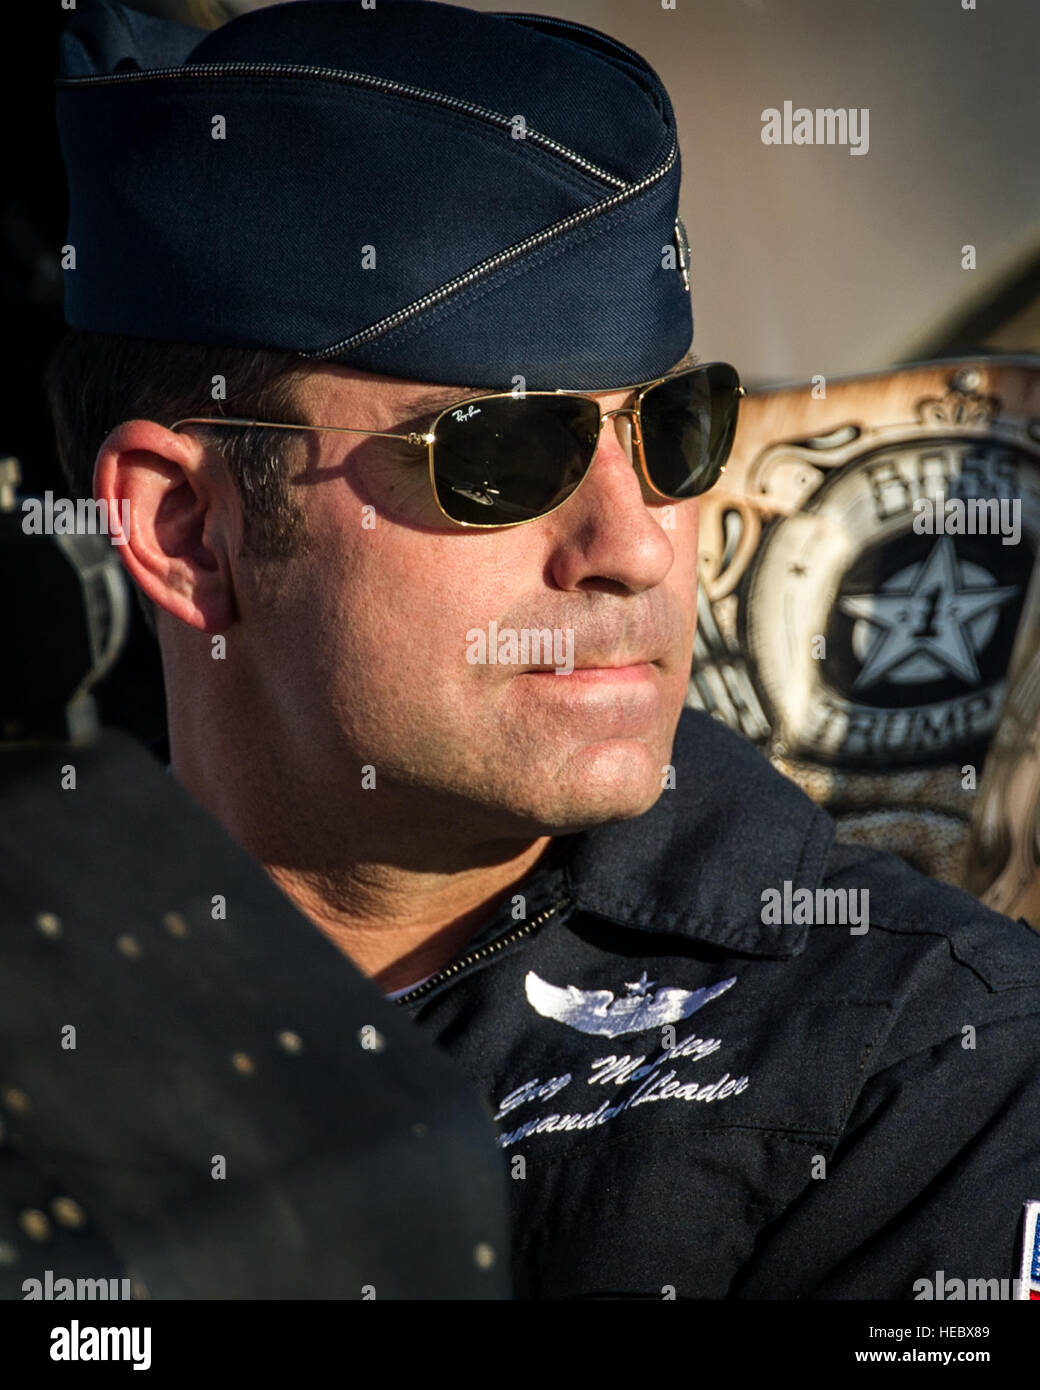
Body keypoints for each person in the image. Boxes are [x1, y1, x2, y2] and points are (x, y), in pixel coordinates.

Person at [47, 0, 1040, 1298]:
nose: (638, 547)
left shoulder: (925, 1055)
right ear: (187, 529)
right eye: (505, 454)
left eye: (674, 427)